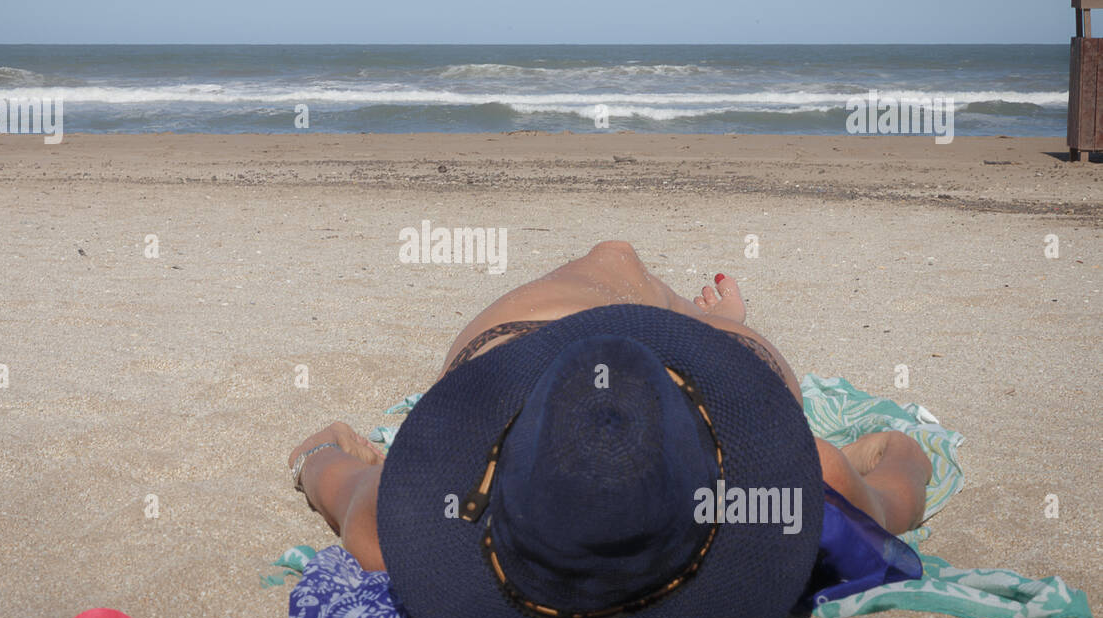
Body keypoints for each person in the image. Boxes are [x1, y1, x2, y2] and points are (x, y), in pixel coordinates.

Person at [288, 240, 931, 576]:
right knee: (622, 267)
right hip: (673, 373)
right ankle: (708, 321)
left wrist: (323, 451)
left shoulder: (397, 527)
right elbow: (899, 458)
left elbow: (326, 461)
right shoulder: (798, 489)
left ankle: (694, 318)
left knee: (608, 261)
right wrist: (862, 460)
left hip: (534, 342)